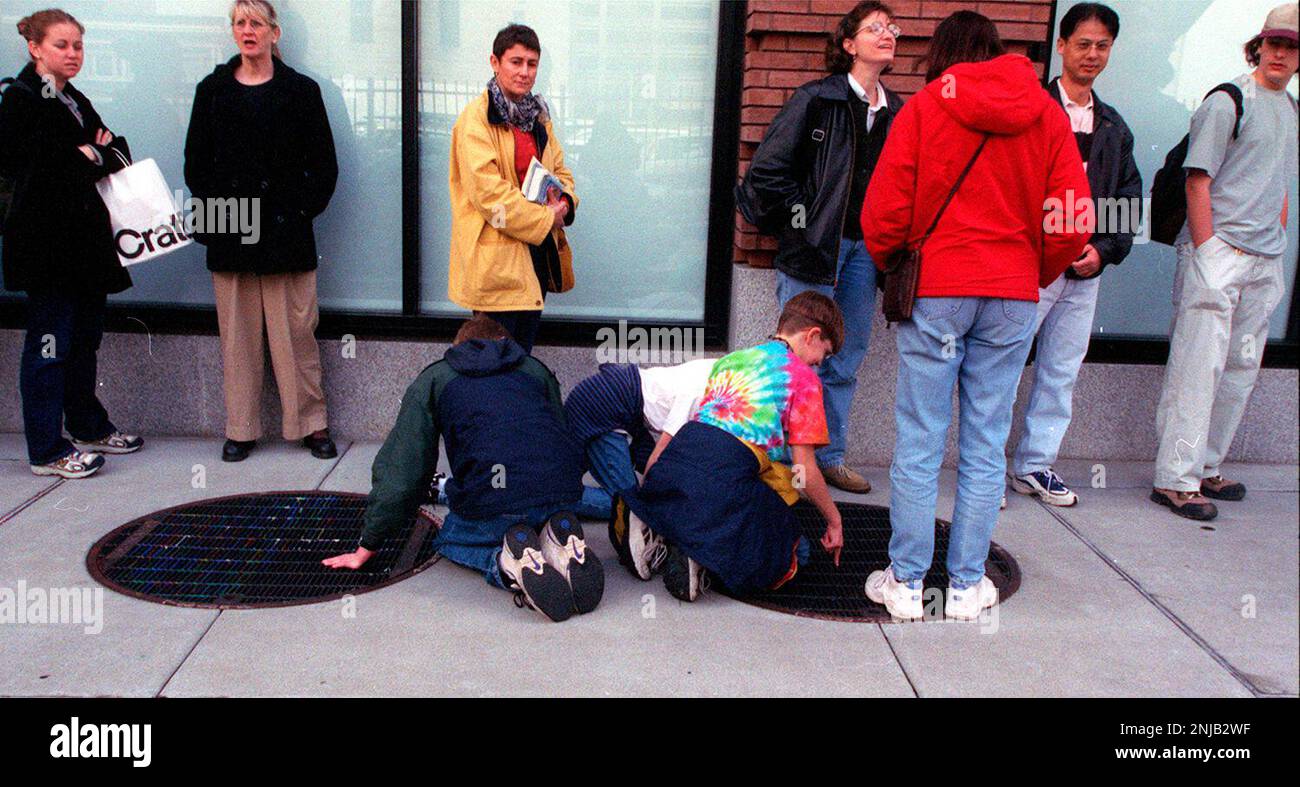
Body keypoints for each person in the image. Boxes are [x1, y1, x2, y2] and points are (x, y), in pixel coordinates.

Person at [861, 11, 1091, 621]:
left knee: (919, 439)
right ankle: (965, 584)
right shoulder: (1047, 113)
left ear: (945, 54)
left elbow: (882, 213)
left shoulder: (925, 108)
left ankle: (907, 583)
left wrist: (900, 262)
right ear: (997, 52)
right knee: (987, 442)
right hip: (1013, 295)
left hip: (938, 290)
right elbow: (1072, 218)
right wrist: (1031, 271)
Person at [323, 314, 602, 623]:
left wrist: (369, 544)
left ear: (458, 346)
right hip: (559, 494)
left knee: (447, 538)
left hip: (497, 507)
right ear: (505, 342)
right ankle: (558, 542)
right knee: (535, 488)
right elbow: (559, 438)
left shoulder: (435, 379)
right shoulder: (534, 369)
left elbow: (403, 472)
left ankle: (506, 566)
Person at [736, 1, 904, 494]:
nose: (887, 34)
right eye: (874, 28)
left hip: (863, 254)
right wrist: (804, 223)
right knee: (793, 361)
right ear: (849, 44)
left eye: (891, 28)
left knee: (844, 358)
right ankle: (781, 460)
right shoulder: (817, 100)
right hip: (813, 252)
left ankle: (828, 458)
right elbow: (767, 172)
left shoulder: (896, 112)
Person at [1152, 4, 1298, 521]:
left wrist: (1275, 235)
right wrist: (1209, 249)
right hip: (1221, 253)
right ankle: (1175, 479)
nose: (1281, 53)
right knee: (1197, 368)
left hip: (1263, 258)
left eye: (1292, 46)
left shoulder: (1291, 109)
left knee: (1239, 369)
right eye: (1274, 42)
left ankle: (1207, 465)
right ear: (1258, 44)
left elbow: (1277, 181)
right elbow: (1198, 179)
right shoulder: (1228, 100)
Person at [184, 0, 339, 464]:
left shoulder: (303, 91)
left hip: (285, 233)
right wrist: (225, 219)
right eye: (239, 23)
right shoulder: (211, 90)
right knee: (238, 339)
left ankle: (310, 424)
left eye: (256, 23)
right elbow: (196, 164)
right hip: (230, 231)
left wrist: (295, 213)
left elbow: (324, 166)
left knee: (296, 334)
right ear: (232, 32)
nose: (247, 30)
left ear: (275, 33)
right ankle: (241, 428)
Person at [620, 292, 845, 602]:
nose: (821, 363)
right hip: (722, 474)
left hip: (678, 459)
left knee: (727, 495)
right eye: (825, 353)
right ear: (813, 335)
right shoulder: (803, 378)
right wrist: (834, 519)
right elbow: (802, 470)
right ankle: (700, 554)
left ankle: (667, 528)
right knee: (796, 551)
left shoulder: (732, 360)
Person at [0, 8, 142, 479]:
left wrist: (92, 154)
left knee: (84, 341)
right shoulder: (21, 100)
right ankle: (46, 449)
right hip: (49, 251)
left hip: (85, 247)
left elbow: (117, 150)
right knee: (48, 347)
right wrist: (87, 156)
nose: (73, 54)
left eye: (78, 45)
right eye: (61, 45)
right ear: (35, 47)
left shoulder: (72, 98)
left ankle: (87, 426)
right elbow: (42, 174)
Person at [1009, 2, 1141, 507]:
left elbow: (1129, 200)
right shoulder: (1032, 109)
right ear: (1060, 46)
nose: (1092, 54)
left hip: (1085, 271)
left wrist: (1103, 251)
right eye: (1082, 44)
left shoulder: (1113, 125)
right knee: (1003, 366)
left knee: (1061, 370)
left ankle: (1035, 465)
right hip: (1031, 266)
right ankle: (982, 468)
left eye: (1102, 46)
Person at [447, 23, 577, 354]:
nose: (524, 72)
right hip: (496, 264)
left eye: (532, 64)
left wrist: (564, 202)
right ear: (495, 62)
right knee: (491, 366)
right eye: (515, 62)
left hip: (535, 257)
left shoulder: (538, 118)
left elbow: (561, 171)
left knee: (520, 361)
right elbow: (488, 196)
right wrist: (546, 219)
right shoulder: (476, 119)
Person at [563, 357, 715, 566]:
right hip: (601, 407)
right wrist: (658, 504)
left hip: (628, 409)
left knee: (651, 486)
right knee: (630, 505)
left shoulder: (716, 369)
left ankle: (561, 492)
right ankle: (558, 497)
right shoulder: (698, 391)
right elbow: (657, 457)